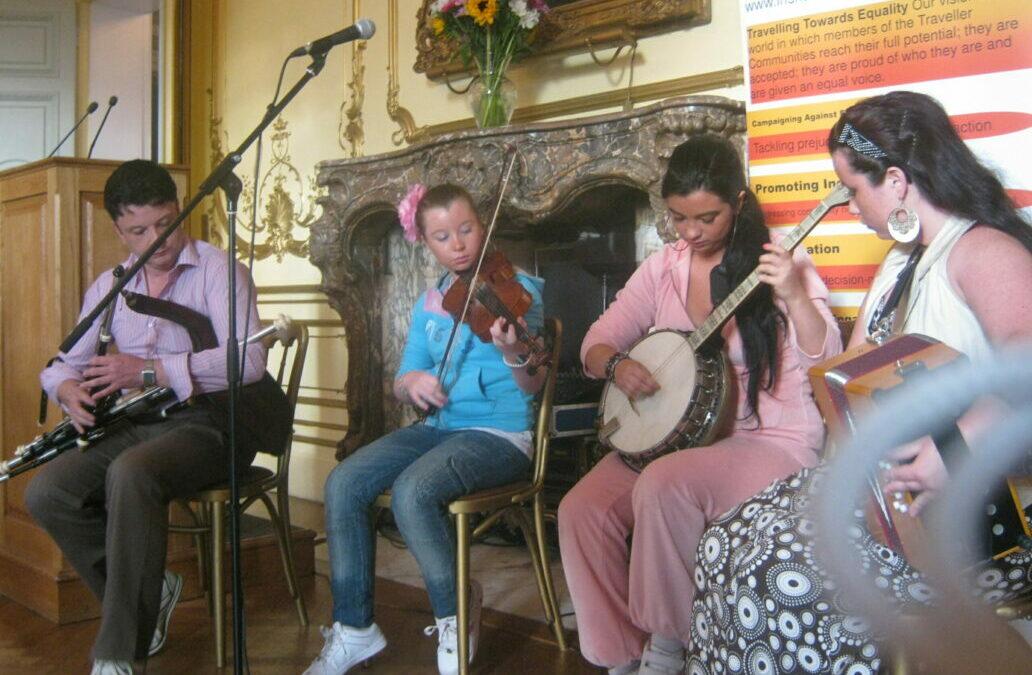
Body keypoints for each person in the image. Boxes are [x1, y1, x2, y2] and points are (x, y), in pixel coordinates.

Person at [682, 91, 1032, 673]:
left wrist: (956, 448)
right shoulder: (899, 261)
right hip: (895, 500)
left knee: (776, 572)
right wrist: (795, 298)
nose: (847, 205)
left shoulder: (983, 251)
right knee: (723, 541)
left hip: (982, 520)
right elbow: (849, 371)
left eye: (851, 188)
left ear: (895, 181)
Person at [557, 134, 842, 675]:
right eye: (678, 218)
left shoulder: (779, 259)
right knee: (581, 510)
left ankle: (671, 648)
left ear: (738, 202)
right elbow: (597, 341)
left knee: (665, 482)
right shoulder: (664, 267)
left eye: (706, 218)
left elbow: (827, 359)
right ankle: (619, 655)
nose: (690, 233)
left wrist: (793, 294)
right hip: (682, 439)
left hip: (768, 441)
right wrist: (617, 365)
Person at [25, 160, 285, 675]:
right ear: (119, 231)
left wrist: (150, 371)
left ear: (180, 209)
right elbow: (61, 364)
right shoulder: (110, 285)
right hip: (136, 425)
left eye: (166, 223)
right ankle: (153, 589)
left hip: (211, 423)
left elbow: (249, 361)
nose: (157, 240)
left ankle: (120, 653)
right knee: (47, 493)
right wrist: (68, 389)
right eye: (139, 231)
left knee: (132, 473)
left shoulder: (219, 271)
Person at [304, 183, 546, 675]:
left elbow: (534, 381)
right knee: (344, 482)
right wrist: (411, 383)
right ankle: (354, 629)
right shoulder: (430, 302)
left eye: (466, 229)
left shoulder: (518, 290)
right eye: (442, 236)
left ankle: (456, 610)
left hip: (500, 436)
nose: (458, 245)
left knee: (414, 491)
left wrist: (512, 349)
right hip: (438, 427)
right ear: (426, 243)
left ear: (483, 226)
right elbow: (403, 379)